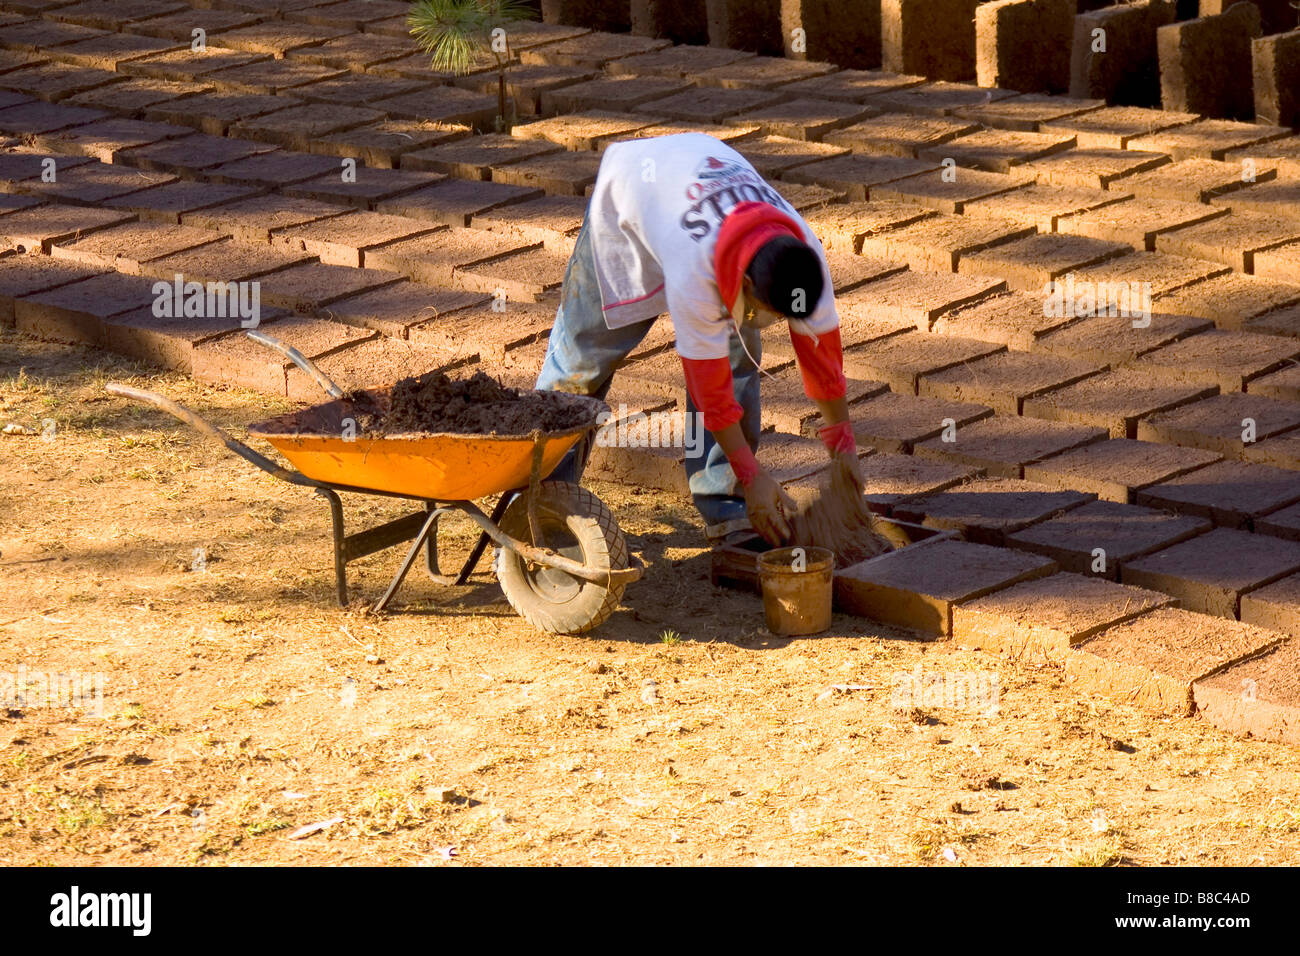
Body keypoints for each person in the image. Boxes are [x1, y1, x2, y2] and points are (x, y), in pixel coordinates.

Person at [535, 133, 862, 548]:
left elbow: (824, 367)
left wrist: (844, 451)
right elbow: (712, 395)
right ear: (744, 282)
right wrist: (755, 475)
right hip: (629, 197)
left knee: (737, 359)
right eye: (772, 313)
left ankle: (726, 501)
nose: (777, 323)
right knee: (582, 364)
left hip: (697, 180)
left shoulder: (802, 257)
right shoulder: (697, 272)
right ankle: (542, 500)